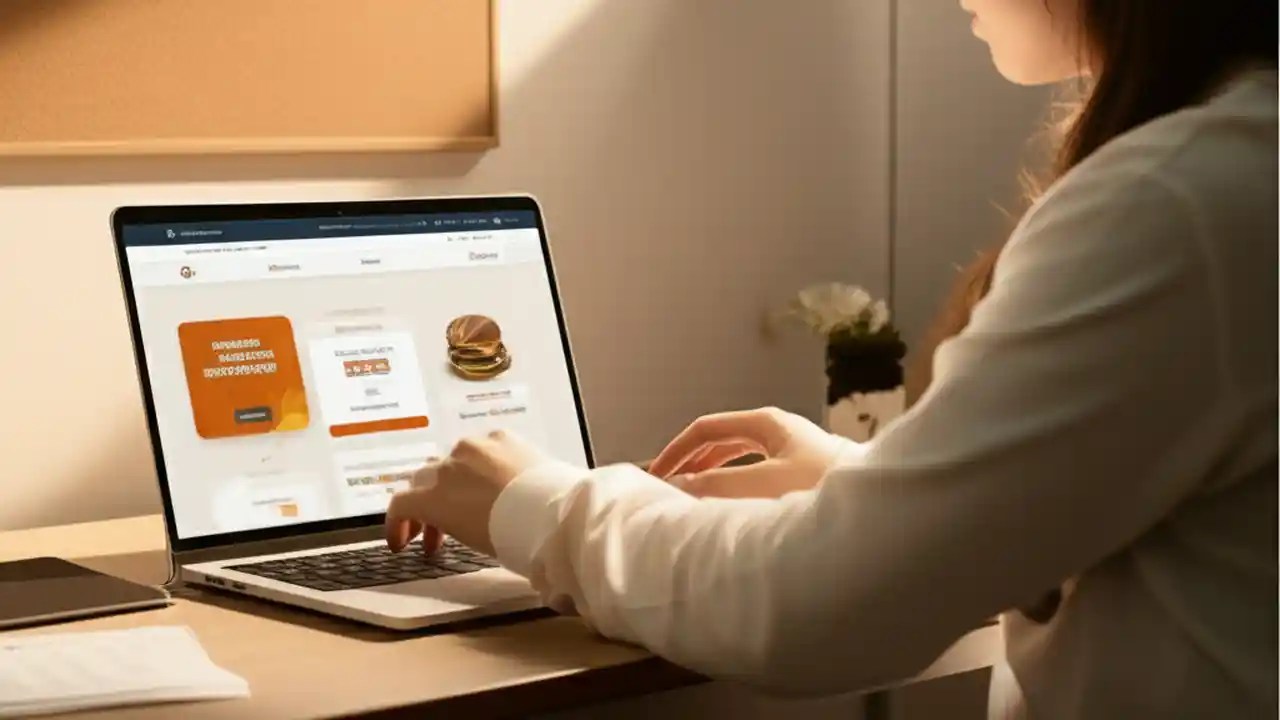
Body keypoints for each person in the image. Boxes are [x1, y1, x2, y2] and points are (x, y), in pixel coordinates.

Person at [385, 1, 1278, 716]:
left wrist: (539, 503)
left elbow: (822, 611)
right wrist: (877, 487)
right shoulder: (1228, 167)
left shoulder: (1181, 202)